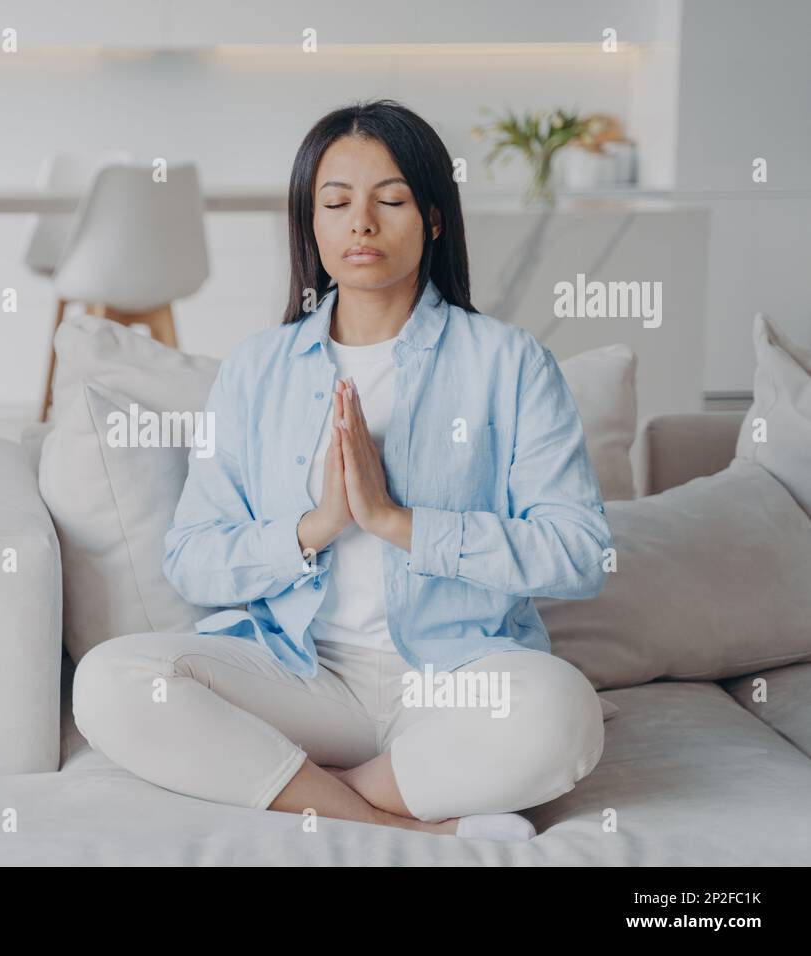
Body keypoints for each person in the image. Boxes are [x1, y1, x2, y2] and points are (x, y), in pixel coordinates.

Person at [72, 99, 612, 842]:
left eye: (390, 200)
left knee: (563, 715)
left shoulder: (509, 363)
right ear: (312, 224)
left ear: (432, 219)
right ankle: (417, 828)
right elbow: (192, 561)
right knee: (111, 680)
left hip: (454, 676)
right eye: (336, 202)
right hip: (302, 677)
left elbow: (580, 553)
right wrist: (315, 527)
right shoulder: (257, 369)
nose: (361, 222)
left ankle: (318, 795)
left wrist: (399, 523)